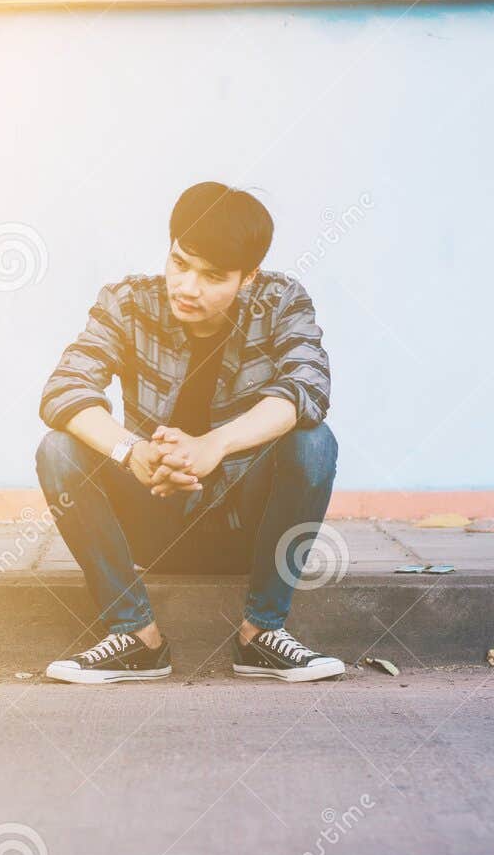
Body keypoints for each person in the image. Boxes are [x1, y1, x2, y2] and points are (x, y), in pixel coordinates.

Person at [36, 181, 344, 684]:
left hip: (242, 522)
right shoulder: (128, 301)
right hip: (152, 516)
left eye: (213, 276)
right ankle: (136, 637)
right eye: (180, 263)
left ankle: (261, 634)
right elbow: (65, 389)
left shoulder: (282, 301)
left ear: (249, 278)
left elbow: (307, 388)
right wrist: (130, 450)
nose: (187, 287)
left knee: (314, 443)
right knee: (58, 449)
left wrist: (213, 446)